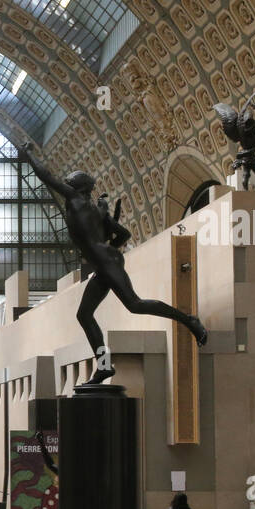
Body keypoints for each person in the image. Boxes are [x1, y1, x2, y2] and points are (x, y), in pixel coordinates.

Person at [19, 142, 207, 384]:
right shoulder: (98, 212)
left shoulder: (76, 199)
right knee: (84, 315)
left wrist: (29, 155)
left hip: (106, 262)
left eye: (70, 183)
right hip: (105, 263)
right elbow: (125, 235)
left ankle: (189, 320)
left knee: (135, 304)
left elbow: (45, 176)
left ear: (78, 187)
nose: (66, 185)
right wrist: (107, 246)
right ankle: (105, 366)